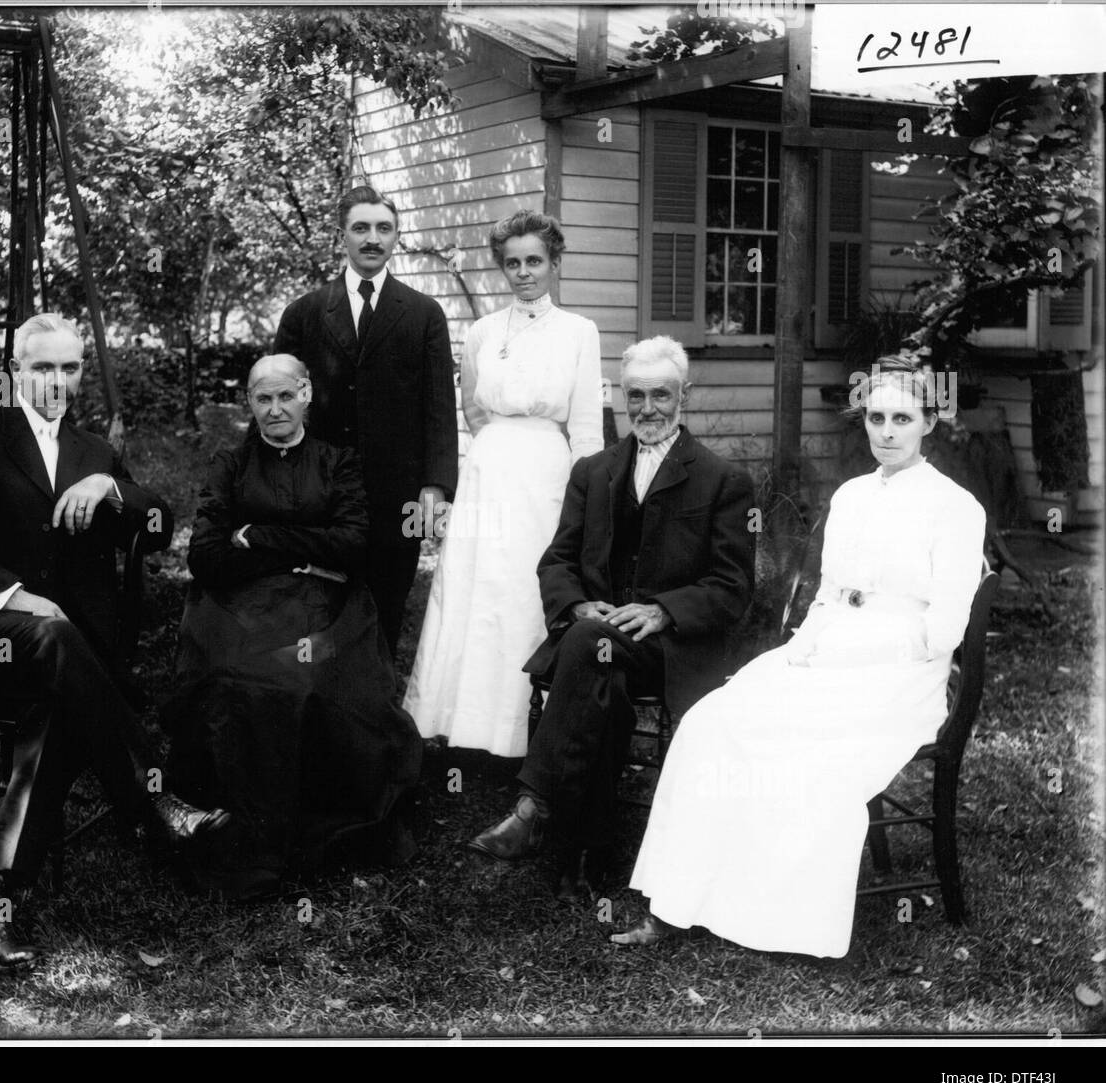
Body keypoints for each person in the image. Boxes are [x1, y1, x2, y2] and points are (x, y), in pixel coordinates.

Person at [611, 360, 987, 958]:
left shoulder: (956, 507)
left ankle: (774, 919)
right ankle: (677, 902)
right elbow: (828, 595)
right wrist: (803, 650)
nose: (886, 431)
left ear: (928, 424)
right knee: (714, 722)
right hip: (829, 648)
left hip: (901, 672)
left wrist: (855, 655)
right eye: (876, 418)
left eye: (902, 419)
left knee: (812, 747)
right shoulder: (851, 495)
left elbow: (942, 631)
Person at [0, 313, 229, 970]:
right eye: (43, 367)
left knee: (59, 702)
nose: (58, 381)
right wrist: (11, 594)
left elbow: (157, 526)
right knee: (52, 643)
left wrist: (114, 488)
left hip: (56, 658)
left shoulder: (93, 452)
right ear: (16, 369)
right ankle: (152, 799)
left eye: (69, 368)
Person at [466, 336, 756, 899]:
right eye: (636, 395)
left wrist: (663, 610)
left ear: (684, 396)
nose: (647, 409)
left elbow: (733, 587)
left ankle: (534, 807)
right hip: (598, 646)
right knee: (602, 676)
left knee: (588, 649)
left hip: (671, 650)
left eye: (661, 395)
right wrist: (577, 603)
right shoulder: (593, 472)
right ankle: (585, 853)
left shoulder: (724, 480)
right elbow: (557, 560)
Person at [163, 354, 424, 900]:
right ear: (250, 403)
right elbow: (207, 557)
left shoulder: (338, 462)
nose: (275, 409)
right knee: (236, 676)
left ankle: (306, 828)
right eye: (263, 398)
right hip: (238, 602)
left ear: (307, 395)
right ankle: (238, 827)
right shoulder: (230, 463)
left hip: (326, 602)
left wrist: (257, 537)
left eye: (286, 396)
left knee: (308, 678)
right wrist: (303, 548)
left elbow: (352, 545)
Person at [403, 210, 604, 758]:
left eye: (534, 261)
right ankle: (456, 719)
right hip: (490, 469)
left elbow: (586, 426)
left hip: (546, 470)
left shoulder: (579, 332)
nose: (523, 273)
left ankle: (520, 728)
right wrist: (495, 454)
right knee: (474, 589)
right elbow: (472, 407)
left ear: (555, 264)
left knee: (522, 588)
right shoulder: (483, 332)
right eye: (512, 263)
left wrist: (588, 498)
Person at [273, 185, 459, 654]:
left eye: (383, 228)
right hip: (322, 488)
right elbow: (282, 405)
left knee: (387, 602)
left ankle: (373, 705)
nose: (372, 239)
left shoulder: (424, 313)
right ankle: (319, 700)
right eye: (360, 228)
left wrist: (434, 486)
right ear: (342, 237)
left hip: (398, 492)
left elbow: (439, 407)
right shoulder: (305, 313)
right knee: (322, 599)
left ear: (396, 236)